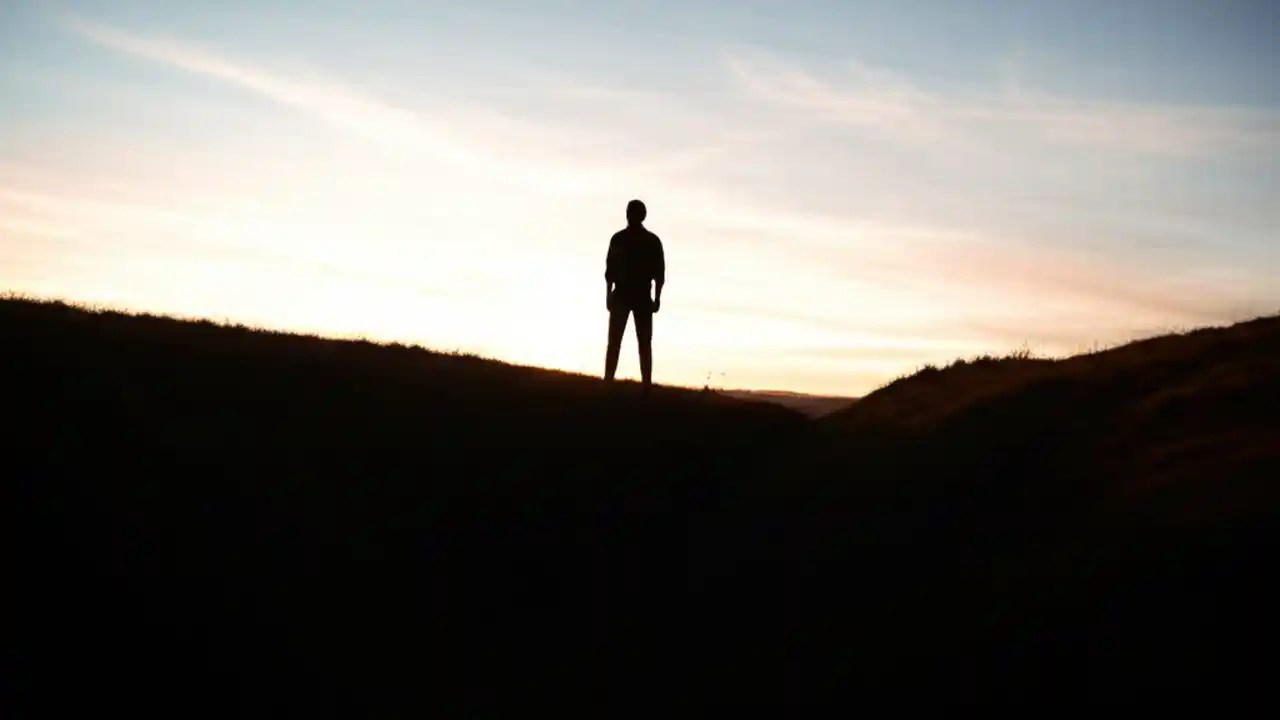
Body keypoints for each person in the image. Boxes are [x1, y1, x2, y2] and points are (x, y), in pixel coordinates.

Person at [604, 199, 665, 392]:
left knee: (624, 342)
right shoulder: (650, 241)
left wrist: (608, 295)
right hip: (634, 295)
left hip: (629, 295)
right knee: (639, 343)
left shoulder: (621, 239)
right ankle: (642, 384)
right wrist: (657, 297)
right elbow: (659, 274)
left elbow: (610, 270)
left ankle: (612, 381)